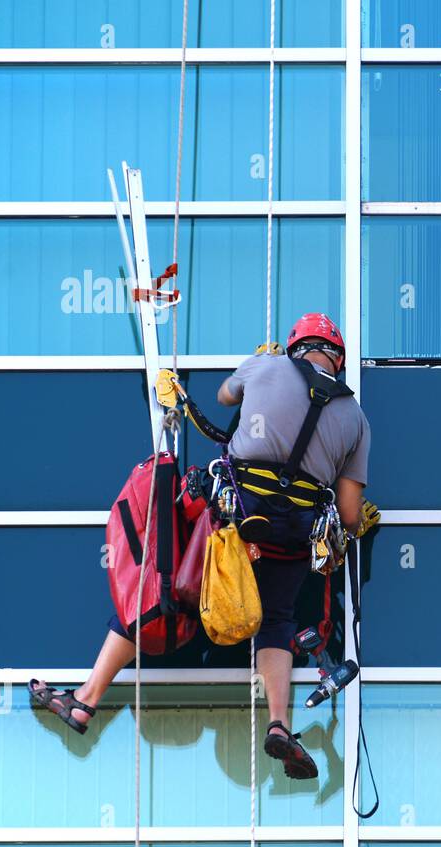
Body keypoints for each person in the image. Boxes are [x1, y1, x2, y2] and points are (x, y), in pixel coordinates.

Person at [30, 312, 371, 782]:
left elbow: (224, 395)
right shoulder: (355, 417)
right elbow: (351, 517)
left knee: (162, 585)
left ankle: (86, 700)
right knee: (277, 623)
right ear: (339, 360)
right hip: (293, 536)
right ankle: (280, 723)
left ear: (294, 348)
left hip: (232, 520)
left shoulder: (268, 366)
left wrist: (259, 366)